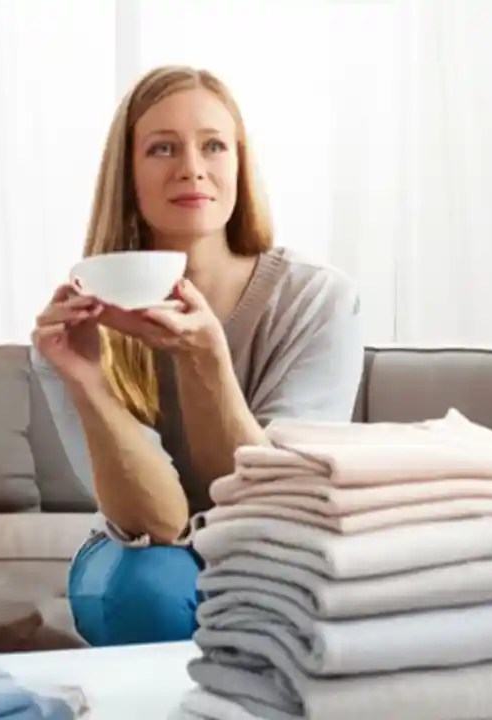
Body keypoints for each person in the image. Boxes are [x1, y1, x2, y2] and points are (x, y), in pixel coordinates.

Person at [30, 65, 365, 647]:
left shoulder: (317, 300)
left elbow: (266, 508)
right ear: (128, 177)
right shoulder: (77, 328)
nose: (192, 167)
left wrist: (207, 362)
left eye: (213, 145)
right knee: (147, 586)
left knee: (278, 584)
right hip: (138, 555)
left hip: (271, 545)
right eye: (162, 148)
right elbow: (155, 524)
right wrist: (87, 380)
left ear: (239, 164)